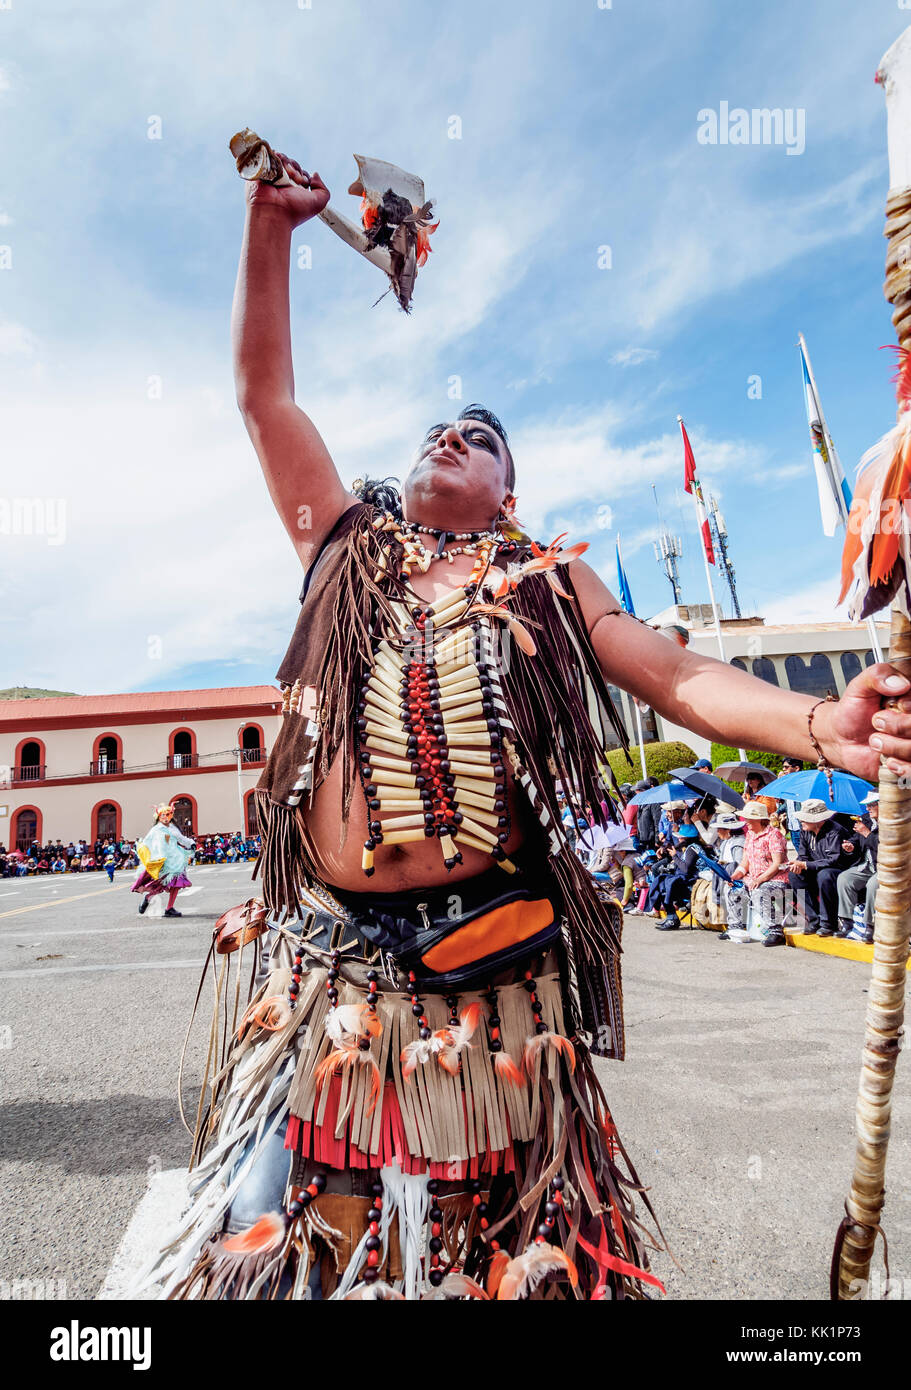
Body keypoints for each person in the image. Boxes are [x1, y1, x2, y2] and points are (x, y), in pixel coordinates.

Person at [140, 147, 911, 1303]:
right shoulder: (345, 546)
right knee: (283, 1256)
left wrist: (820, 726)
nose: (450, 436)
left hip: (499, 996)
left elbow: (671, 670)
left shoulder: (545, 578)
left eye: (481, 436)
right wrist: (272, 224)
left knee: (523, 1276)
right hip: (339, 988)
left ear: (510, 489)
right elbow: (263, 396)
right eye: (440, 428)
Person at [725, 801, 790, 946]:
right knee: (734, 889)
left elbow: (777, 864)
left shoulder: (774, 835)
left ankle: (775, 931)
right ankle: (735, 927)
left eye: (748, 818)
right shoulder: (750, 835)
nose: (745, 821)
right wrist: (735, 875)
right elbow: (745, 863)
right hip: (754, 878)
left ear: (759, 819)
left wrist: (760, 879)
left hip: (776, 879)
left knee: (760, 891)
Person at [788, 799, 850, 938]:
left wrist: (806, 865)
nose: (801, 821)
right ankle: (814, 920)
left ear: (817, 820)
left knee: (825, 875)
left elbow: (834, 859)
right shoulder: (806, 831)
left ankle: (828, 923)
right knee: (794, 875)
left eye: (805, 819)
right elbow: (803, 855)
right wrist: (798, 865)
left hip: (837, 870)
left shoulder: (835, 831)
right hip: (816, 868)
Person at [132, 802, 194, 918]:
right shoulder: (155, 830)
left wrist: (191, 843)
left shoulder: (172, 828)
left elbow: (181, 838)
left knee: (176, 884)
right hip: (161, 861)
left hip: (175, 861)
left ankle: (169, 908)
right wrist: (151, 857)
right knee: (160, 885)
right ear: (159, 817)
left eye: (168, 814)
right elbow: (146, 844)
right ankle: (148, 897)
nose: (166, 818)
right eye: (163, 815)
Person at [835, 792, 879, 942]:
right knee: (844, 878)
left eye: (872, 804)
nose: (868, 808)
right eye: (867, 804)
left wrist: (867, 834)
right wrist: (850, 846)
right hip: (866, 865)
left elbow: (888, 848)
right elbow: (856, 839)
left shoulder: (894, 822)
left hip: (887, 868)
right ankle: (847, 922)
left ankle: (870, 925)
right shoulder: (866, 819)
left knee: (874, 884)